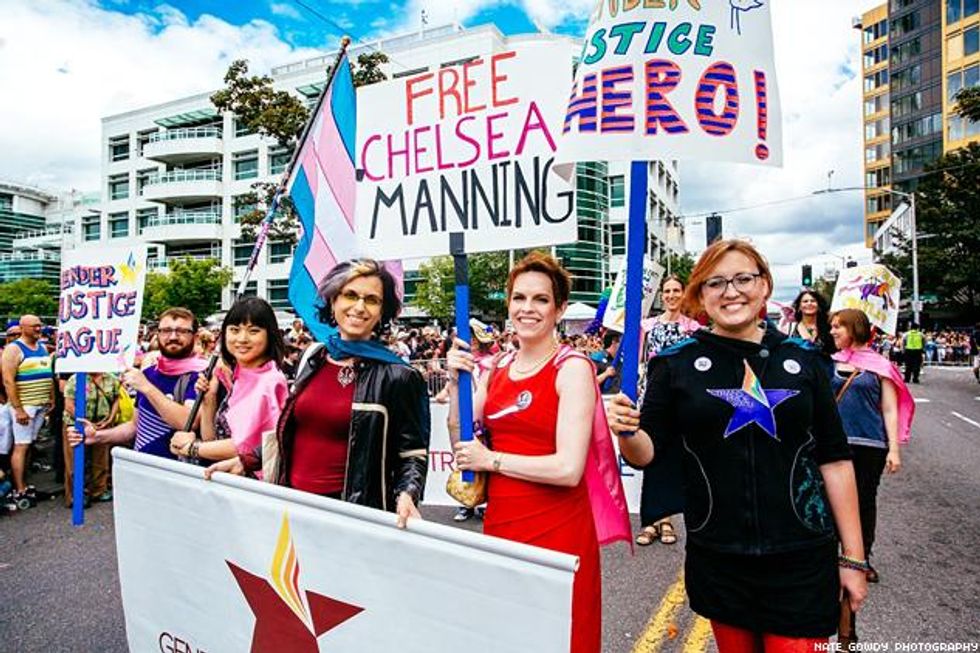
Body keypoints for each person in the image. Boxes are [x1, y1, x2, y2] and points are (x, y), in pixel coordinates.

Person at [607, 240, 867, 650]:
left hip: (801, 556)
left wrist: (853, 557)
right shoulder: (675, 364)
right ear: (701, 294)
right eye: (716, 282)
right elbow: (647, 453)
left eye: (743, 278)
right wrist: (626, 432)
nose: (731, 292)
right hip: (719, 556)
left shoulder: (804, 359)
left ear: (764, 286)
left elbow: (834, 459)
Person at [447, 252, 630, 653]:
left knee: (561, 639)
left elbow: (568, 468)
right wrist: (455, 382)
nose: (527, 308)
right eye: (519, 297)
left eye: (541, 299)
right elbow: (461, 439)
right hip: (502, 525)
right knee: (508, 639)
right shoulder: (497, 367)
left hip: (560, 529)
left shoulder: (573, 367)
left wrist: (491, 460)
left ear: (559, 309)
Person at [206, 259, 430, 529]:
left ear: (382, 311)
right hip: (292, 505)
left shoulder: (399, 375)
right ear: (333, 302)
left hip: (352, 517)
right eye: (350, 295)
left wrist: (408, 494)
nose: (359, 307)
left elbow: (412, 453)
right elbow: (290, 430)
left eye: (371, 300)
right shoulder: (313, 357)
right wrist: (247, 461)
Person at [829, 309, 913, 585]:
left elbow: (889, 409)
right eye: (832, 326)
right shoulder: (830, 362)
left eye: (838, 326)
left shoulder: (880, 366)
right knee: (829, 502)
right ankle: (830, 558)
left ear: (854, 328)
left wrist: (894, 449)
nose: (832, 331)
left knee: (863, 502)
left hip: (870, 445)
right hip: (833, 444)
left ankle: (861, 559)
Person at [68, 308, 206, 458]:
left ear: (195, 337)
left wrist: (147, 387)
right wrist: (97, 436)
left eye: (182, 331)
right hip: (141, 464)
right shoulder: (149, 373)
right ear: (158, 334)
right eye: (166, 330)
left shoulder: (201, 375)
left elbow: (188, 422)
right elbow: (135, 426)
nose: (173, 336)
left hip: (176, 468)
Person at [170, 298, 288, 467]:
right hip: (224, 473)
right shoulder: (237, 375)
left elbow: (245, 447)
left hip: (248, 479)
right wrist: (209, 399)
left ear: (270, 334)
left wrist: (192, 448)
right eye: (234, 330)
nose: (242, 338)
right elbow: (212, 438)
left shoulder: (269, 381)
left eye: (253, 331)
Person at [635, 274, 703, 547]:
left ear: (684, 293)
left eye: (676, 290)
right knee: (651, 456)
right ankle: (651, 520)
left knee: (675, 457)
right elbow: (639, 362)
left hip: (682, 399)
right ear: (661, 295)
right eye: (667, 291)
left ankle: (667, 519)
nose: (672, 295)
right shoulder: (647, 326)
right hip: (652, 399)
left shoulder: (693, 329)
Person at [1, 315, 53, 507]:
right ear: (23, 328)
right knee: (21, 446)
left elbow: (47, 373)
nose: (38, 329)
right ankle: (20, 488)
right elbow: (8, 381)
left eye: (39, 325)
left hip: (40, 404)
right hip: (25, 406)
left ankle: (25, 482)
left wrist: (51, 398)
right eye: (34, 326)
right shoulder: (13, 349)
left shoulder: (42, 347)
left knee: (29, 444)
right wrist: (19, 409)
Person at [62, 371, 121, 507]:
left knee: (101, 459)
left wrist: (111, 418)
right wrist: (85, 422)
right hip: (75, 424)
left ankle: (99, 490)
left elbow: (116, 399)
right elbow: (69, 405)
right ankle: (75, 495)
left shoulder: (111, 378)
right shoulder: (75, 379)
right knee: (74, 460)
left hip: (102, 423)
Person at [785, 289, 835, 355]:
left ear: (819, 305)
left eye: (813, 301)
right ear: (799, 307)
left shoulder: (829, 327)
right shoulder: (789, 328)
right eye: (805, 301)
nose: (809, 303)